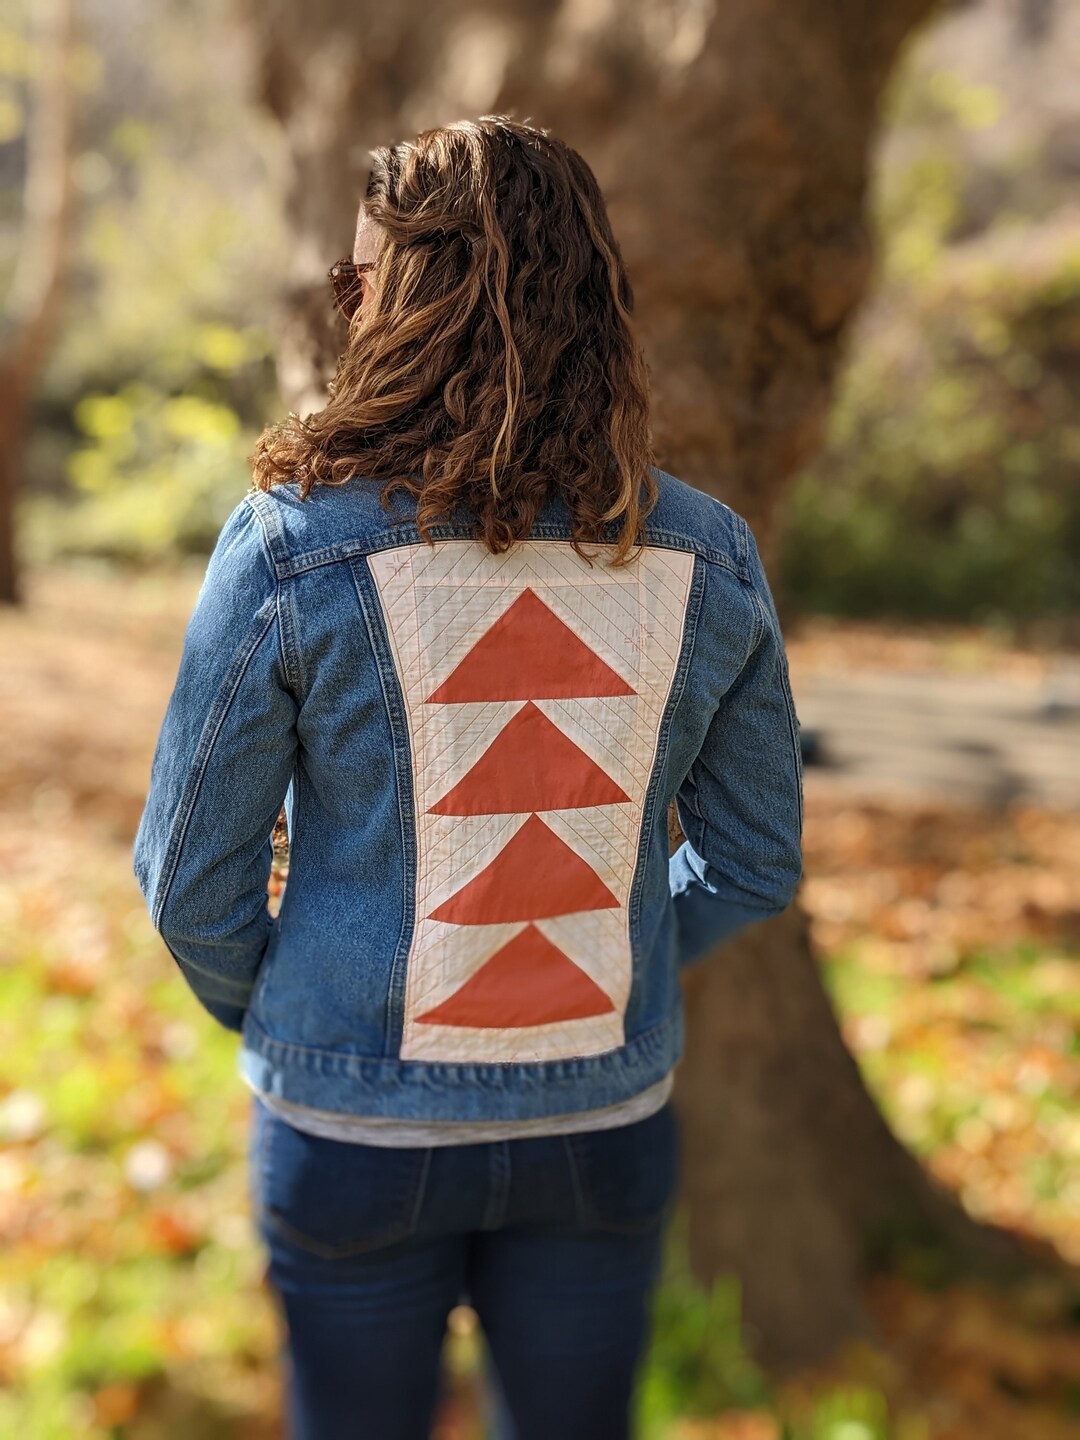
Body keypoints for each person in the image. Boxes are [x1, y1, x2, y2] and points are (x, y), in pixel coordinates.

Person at [132, 113, 804, 1440]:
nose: (345, 311)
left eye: (356, 283)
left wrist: (282, 1007)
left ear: (401, 306)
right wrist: (626, 959)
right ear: (594, 307)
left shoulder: (289, 552)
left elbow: (186, 887)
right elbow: (757, 861)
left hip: (347, 1131)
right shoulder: (708, 555)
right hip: (602, 1119)